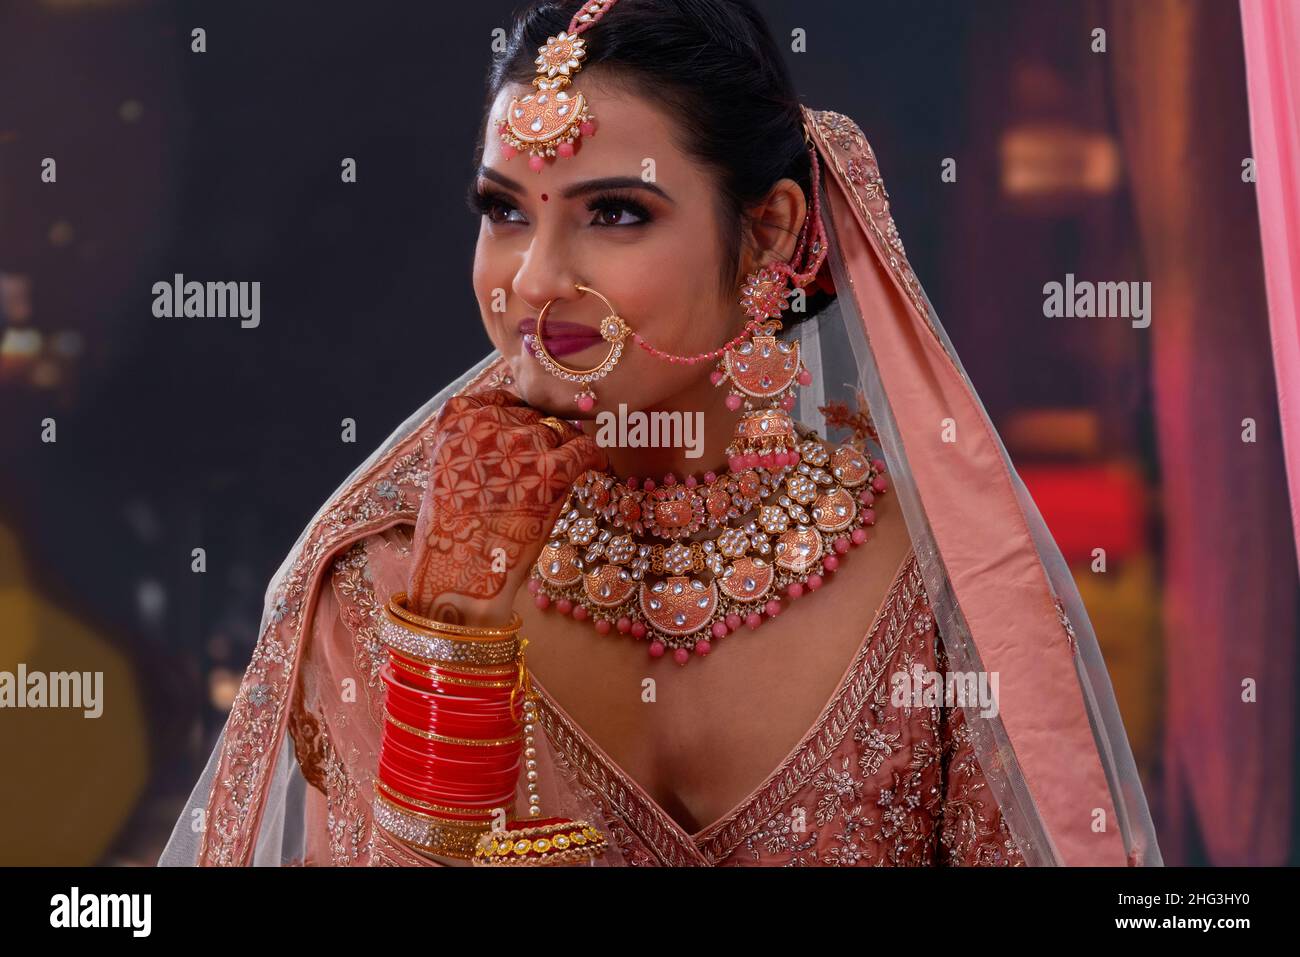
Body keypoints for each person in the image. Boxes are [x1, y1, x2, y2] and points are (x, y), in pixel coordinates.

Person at [159, 0, 1161, 867]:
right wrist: (450, 646)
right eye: (505, 212)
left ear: (767, 232)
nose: (536, 280)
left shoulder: (943, 582)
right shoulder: (387, 582)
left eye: (616, 215)